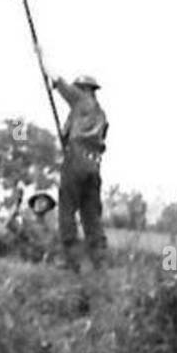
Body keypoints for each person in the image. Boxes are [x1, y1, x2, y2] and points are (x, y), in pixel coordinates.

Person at [52, 74, 109, 272]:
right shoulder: (101, 115)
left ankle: (71, 259)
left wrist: (55, 79)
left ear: (85, 89)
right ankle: (99, 260)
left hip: (76, 159)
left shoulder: (82, 101)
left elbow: (62, 86)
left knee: (67, 207)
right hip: (94, 165)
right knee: (91, 213)